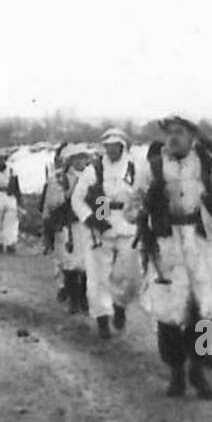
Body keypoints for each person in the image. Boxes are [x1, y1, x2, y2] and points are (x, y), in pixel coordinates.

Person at [132, 116, 212, 400]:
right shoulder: (152, 167)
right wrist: (148, 204)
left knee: (206, 306)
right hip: (168, 243)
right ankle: (176, 371)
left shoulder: (208, 164)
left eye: (179, 132)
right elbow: (132, 208)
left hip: (204, 240)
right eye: (169, 133)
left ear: (193, 136)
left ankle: (197, 367)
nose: (173, 138)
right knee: (169, 309)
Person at [71, 128, 142, 339]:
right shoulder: (94, 169)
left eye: (116, 146)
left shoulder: (135, 168)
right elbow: (78, 198)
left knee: (130, 275)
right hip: (100, 223)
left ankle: (120, 305)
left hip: (128, 224)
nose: (111, 150)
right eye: (108, 146)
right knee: (98, 275)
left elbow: (144, 194)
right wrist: (88, 217)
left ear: (123, 146)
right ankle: (102, 317)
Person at [41, 143, 91, 313]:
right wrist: (69, 195)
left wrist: (102, 219)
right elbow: (52, 203)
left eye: (84, 157)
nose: (81, 161)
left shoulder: (93, 177)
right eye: (77, 158)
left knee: (86, 263)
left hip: (87, 225)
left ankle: (84, 297)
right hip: (67, 226)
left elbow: (101, 199)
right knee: (69, 263)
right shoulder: (59, 179)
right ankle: (73, 298)